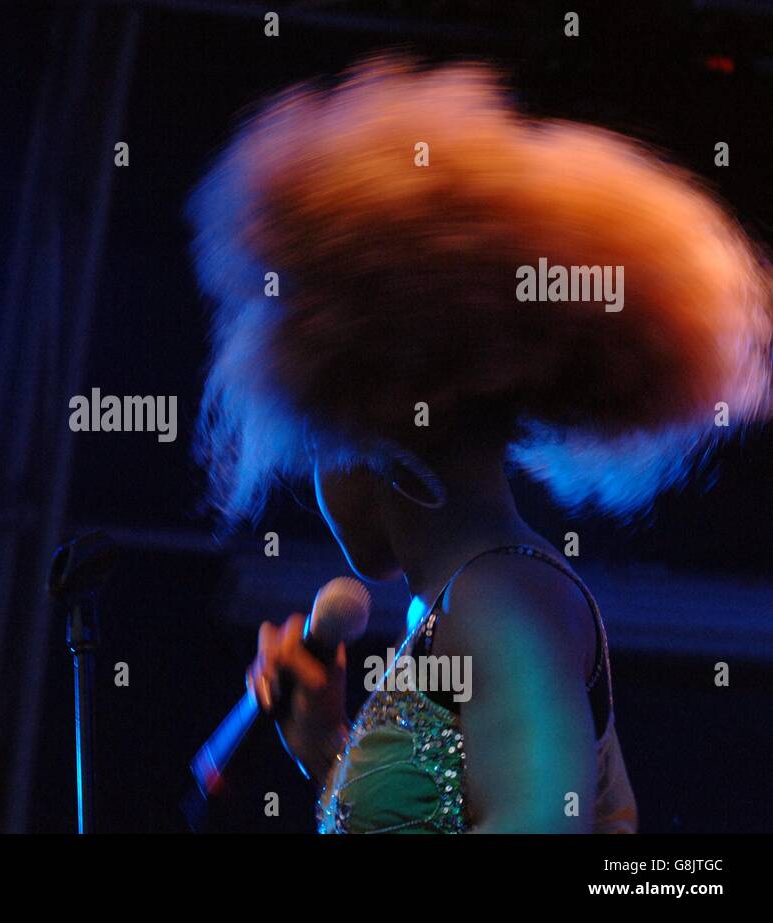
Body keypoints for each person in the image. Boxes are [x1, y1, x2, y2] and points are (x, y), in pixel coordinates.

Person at [188, 56, 771, 833]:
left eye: (318, 440)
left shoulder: (500, 602)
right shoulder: (486, 598)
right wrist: (328, 750)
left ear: (368, 427)